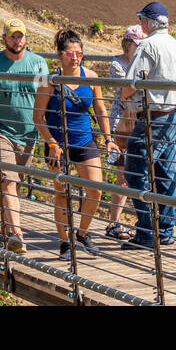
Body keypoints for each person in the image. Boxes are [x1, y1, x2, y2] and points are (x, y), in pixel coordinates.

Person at [34, 28, 111, 259]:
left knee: (96, 189)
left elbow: (99, 108)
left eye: (79, 53)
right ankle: (64, 241)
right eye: (70, 53)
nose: (75, 57)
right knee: (62, 194)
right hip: (58, 144)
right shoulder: (47, 80)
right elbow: (38, 116)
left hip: (84, 140)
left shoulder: (91, 77)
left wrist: (109, 139)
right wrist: (51, 142)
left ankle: (82, 233)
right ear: (60, 55)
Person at [0, 19, 48, 255]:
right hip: (2, 131)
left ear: (25, 38)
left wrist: (50, 135)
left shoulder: (38, 65)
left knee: (14, 187)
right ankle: (18, 235)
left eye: (20, 36)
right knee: (8, 181)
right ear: (4, 38)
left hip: (29, 134)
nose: (17, 40)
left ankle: (4, 231)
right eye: (12, 36)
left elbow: (46, 99)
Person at [120, 1, 176, 250]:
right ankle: (166, 230)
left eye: (141, 20)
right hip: (173, 114)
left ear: (147, 22)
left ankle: (147, 230)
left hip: (152, 117)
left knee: (135, 171)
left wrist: (125, 96)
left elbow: (131, 83)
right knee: (165, 172)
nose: (140, 24)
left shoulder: (148, 45)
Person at [104, 24, 145, 241]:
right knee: (122, 175)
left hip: (137, 121)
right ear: (127, 44)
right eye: (135, 45)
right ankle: (114, 222)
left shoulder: (139, 64)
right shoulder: (117, 65)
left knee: (137, 175)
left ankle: (137, 222)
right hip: (121, 124)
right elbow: (126, 91)